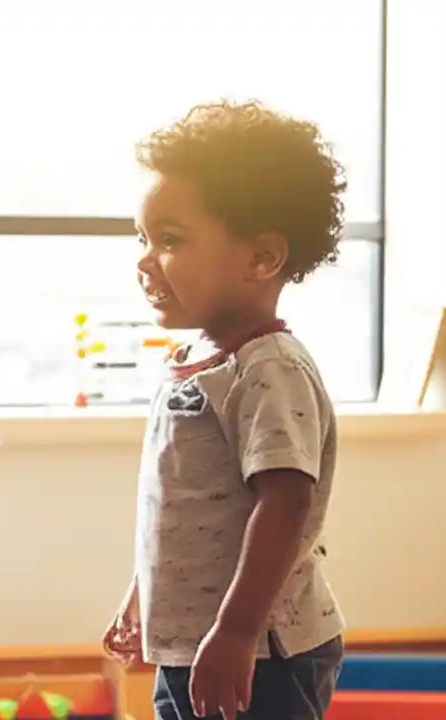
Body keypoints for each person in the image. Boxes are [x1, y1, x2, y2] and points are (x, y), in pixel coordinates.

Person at [103, 100, 347, 720]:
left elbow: (284, 501)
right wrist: (143, 599)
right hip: (192, 644)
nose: (144, 260)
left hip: (262, 651)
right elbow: (179, 514)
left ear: (262, 257)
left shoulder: (269, 369)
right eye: (143, 239)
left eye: (170, 241)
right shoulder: (196, 359)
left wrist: (237, 632)